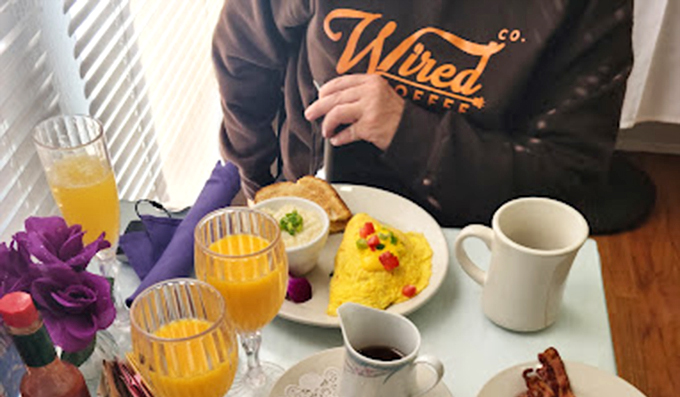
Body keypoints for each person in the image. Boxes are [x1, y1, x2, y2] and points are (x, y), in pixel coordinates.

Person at [212, 1, 653, 232]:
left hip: (476, 237)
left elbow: (569, 172)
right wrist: (259, 183)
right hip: (317, 218)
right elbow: (242, 58)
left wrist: (407, 131)